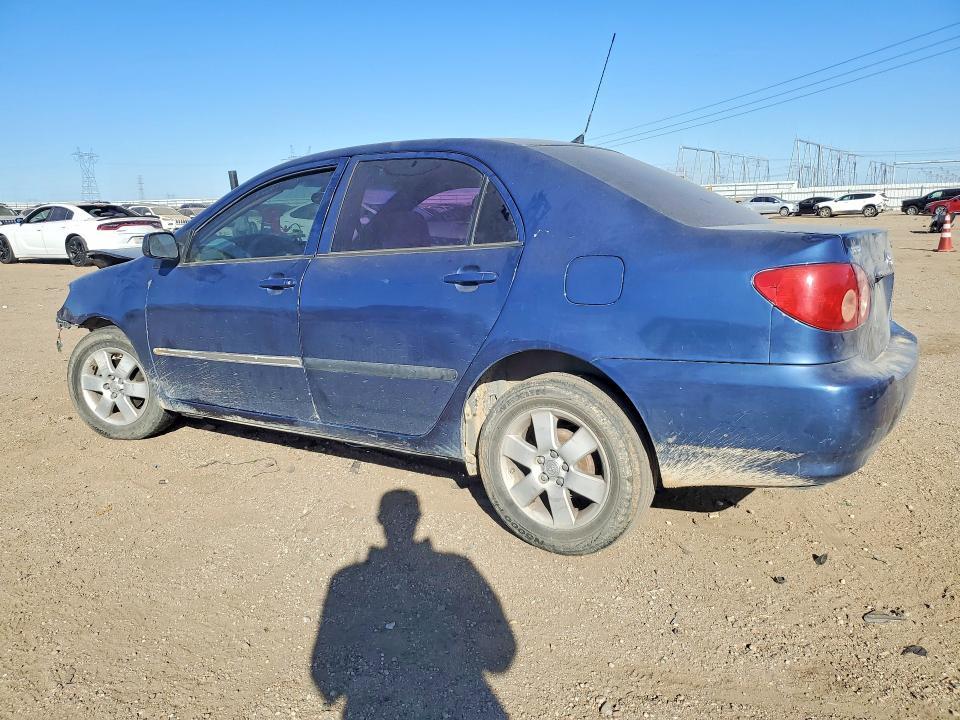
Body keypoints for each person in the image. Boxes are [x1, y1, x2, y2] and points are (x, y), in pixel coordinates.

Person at [311, 490, 515, 719]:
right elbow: (501, 660)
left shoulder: (346, 578)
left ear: (379, 519)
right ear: (419, 517)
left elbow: (325, 672)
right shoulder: (457, 566)